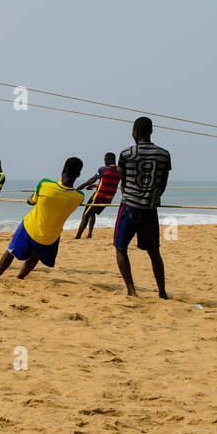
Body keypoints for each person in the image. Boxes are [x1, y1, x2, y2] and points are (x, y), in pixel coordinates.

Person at [0, 158, 85, 279]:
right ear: (78, 174)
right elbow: (70, 196)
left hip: (30, 228)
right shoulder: (79, 197)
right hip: (50, 238)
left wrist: (32, 197)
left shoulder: (44, 184)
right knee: (36, 255)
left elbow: (31, 201)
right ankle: (20, 277)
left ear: (63, 170)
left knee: (11, 251)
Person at [113, 117, 171, 298]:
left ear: (135, 132)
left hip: (129, 206)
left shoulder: (125, 153)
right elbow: (162, 184)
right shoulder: (164, 154)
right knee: (154, 251)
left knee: (121, 248)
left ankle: (131, 290)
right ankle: (162, 292)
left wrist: (129, 193)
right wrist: (153, 197)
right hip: (150, 209)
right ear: (151, 131)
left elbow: (122, 181)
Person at [74, 152, 121, 239]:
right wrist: (95, 186)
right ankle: (89, 234)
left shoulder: (103, 169)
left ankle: (77, 236)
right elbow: (109, 183)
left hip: (99, 196)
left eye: (105, 160)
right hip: (109, 198)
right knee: (92, 212)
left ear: (107, 160)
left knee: (86, 214)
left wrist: (81, 186)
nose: (104, 162)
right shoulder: (120, 171)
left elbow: (92, 179)